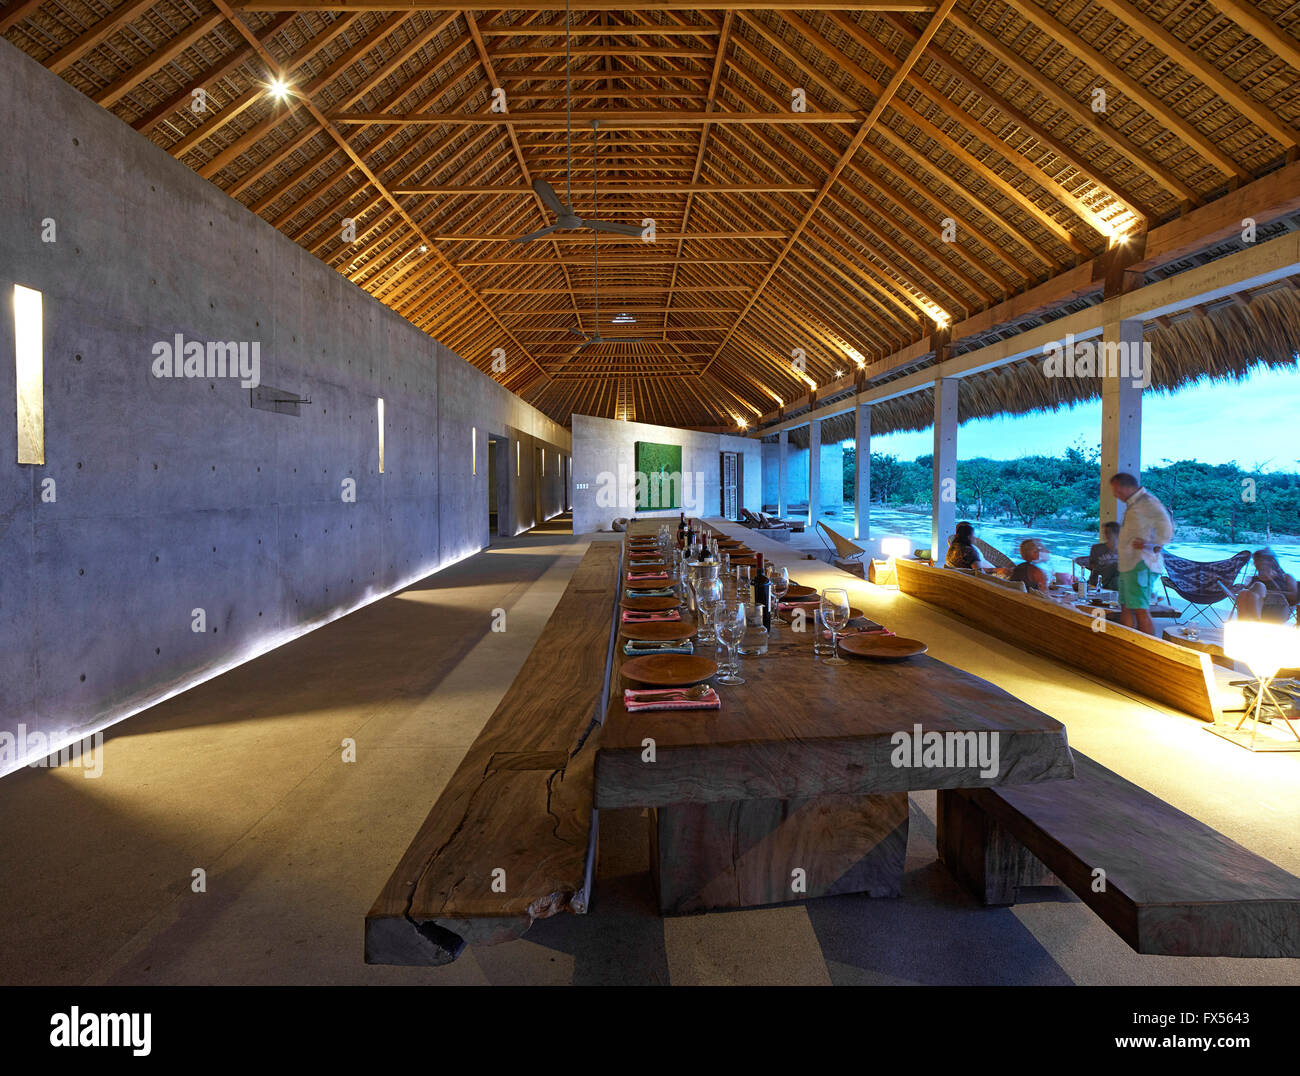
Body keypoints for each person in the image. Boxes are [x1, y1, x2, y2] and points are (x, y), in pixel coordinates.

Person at [1111, 472, 1174, 636]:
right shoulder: (1135, 503)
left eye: (1116, 490)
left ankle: (1147, 648)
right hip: (1128, 564)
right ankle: (1127, 643)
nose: (1115, 494)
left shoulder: (1148, 502)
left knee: (1140, 608)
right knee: (1125, 605)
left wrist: (1150, 545)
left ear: (1125, 487)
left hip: (1141, 564)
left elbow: (1167, 530)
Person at [1235, 550, 1298, 623]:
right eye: (1256, 561)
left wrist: (1268, 592)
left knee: (1259, 586)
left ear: (1271, 562)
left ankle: (1254, 623)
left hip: (1278, 610)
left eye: (1260, 560)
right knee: (1244, 592)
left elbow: (1295, 597)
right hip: (1256, 608)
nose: (1257, 563)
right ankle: (1251, 622)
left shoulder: (1286, 577)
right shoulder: (1253, 579)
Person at [1088, 521, 1121, 589]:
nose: (1106, 535)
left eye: (1109, 533)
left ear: (1117, 534)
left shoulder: (1124, 550)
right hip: (1099, 579)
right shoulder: (1097, 548)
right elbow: (1092, 567)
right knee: (1116, 566)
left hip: (1115, 582)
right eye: (1105, 532)